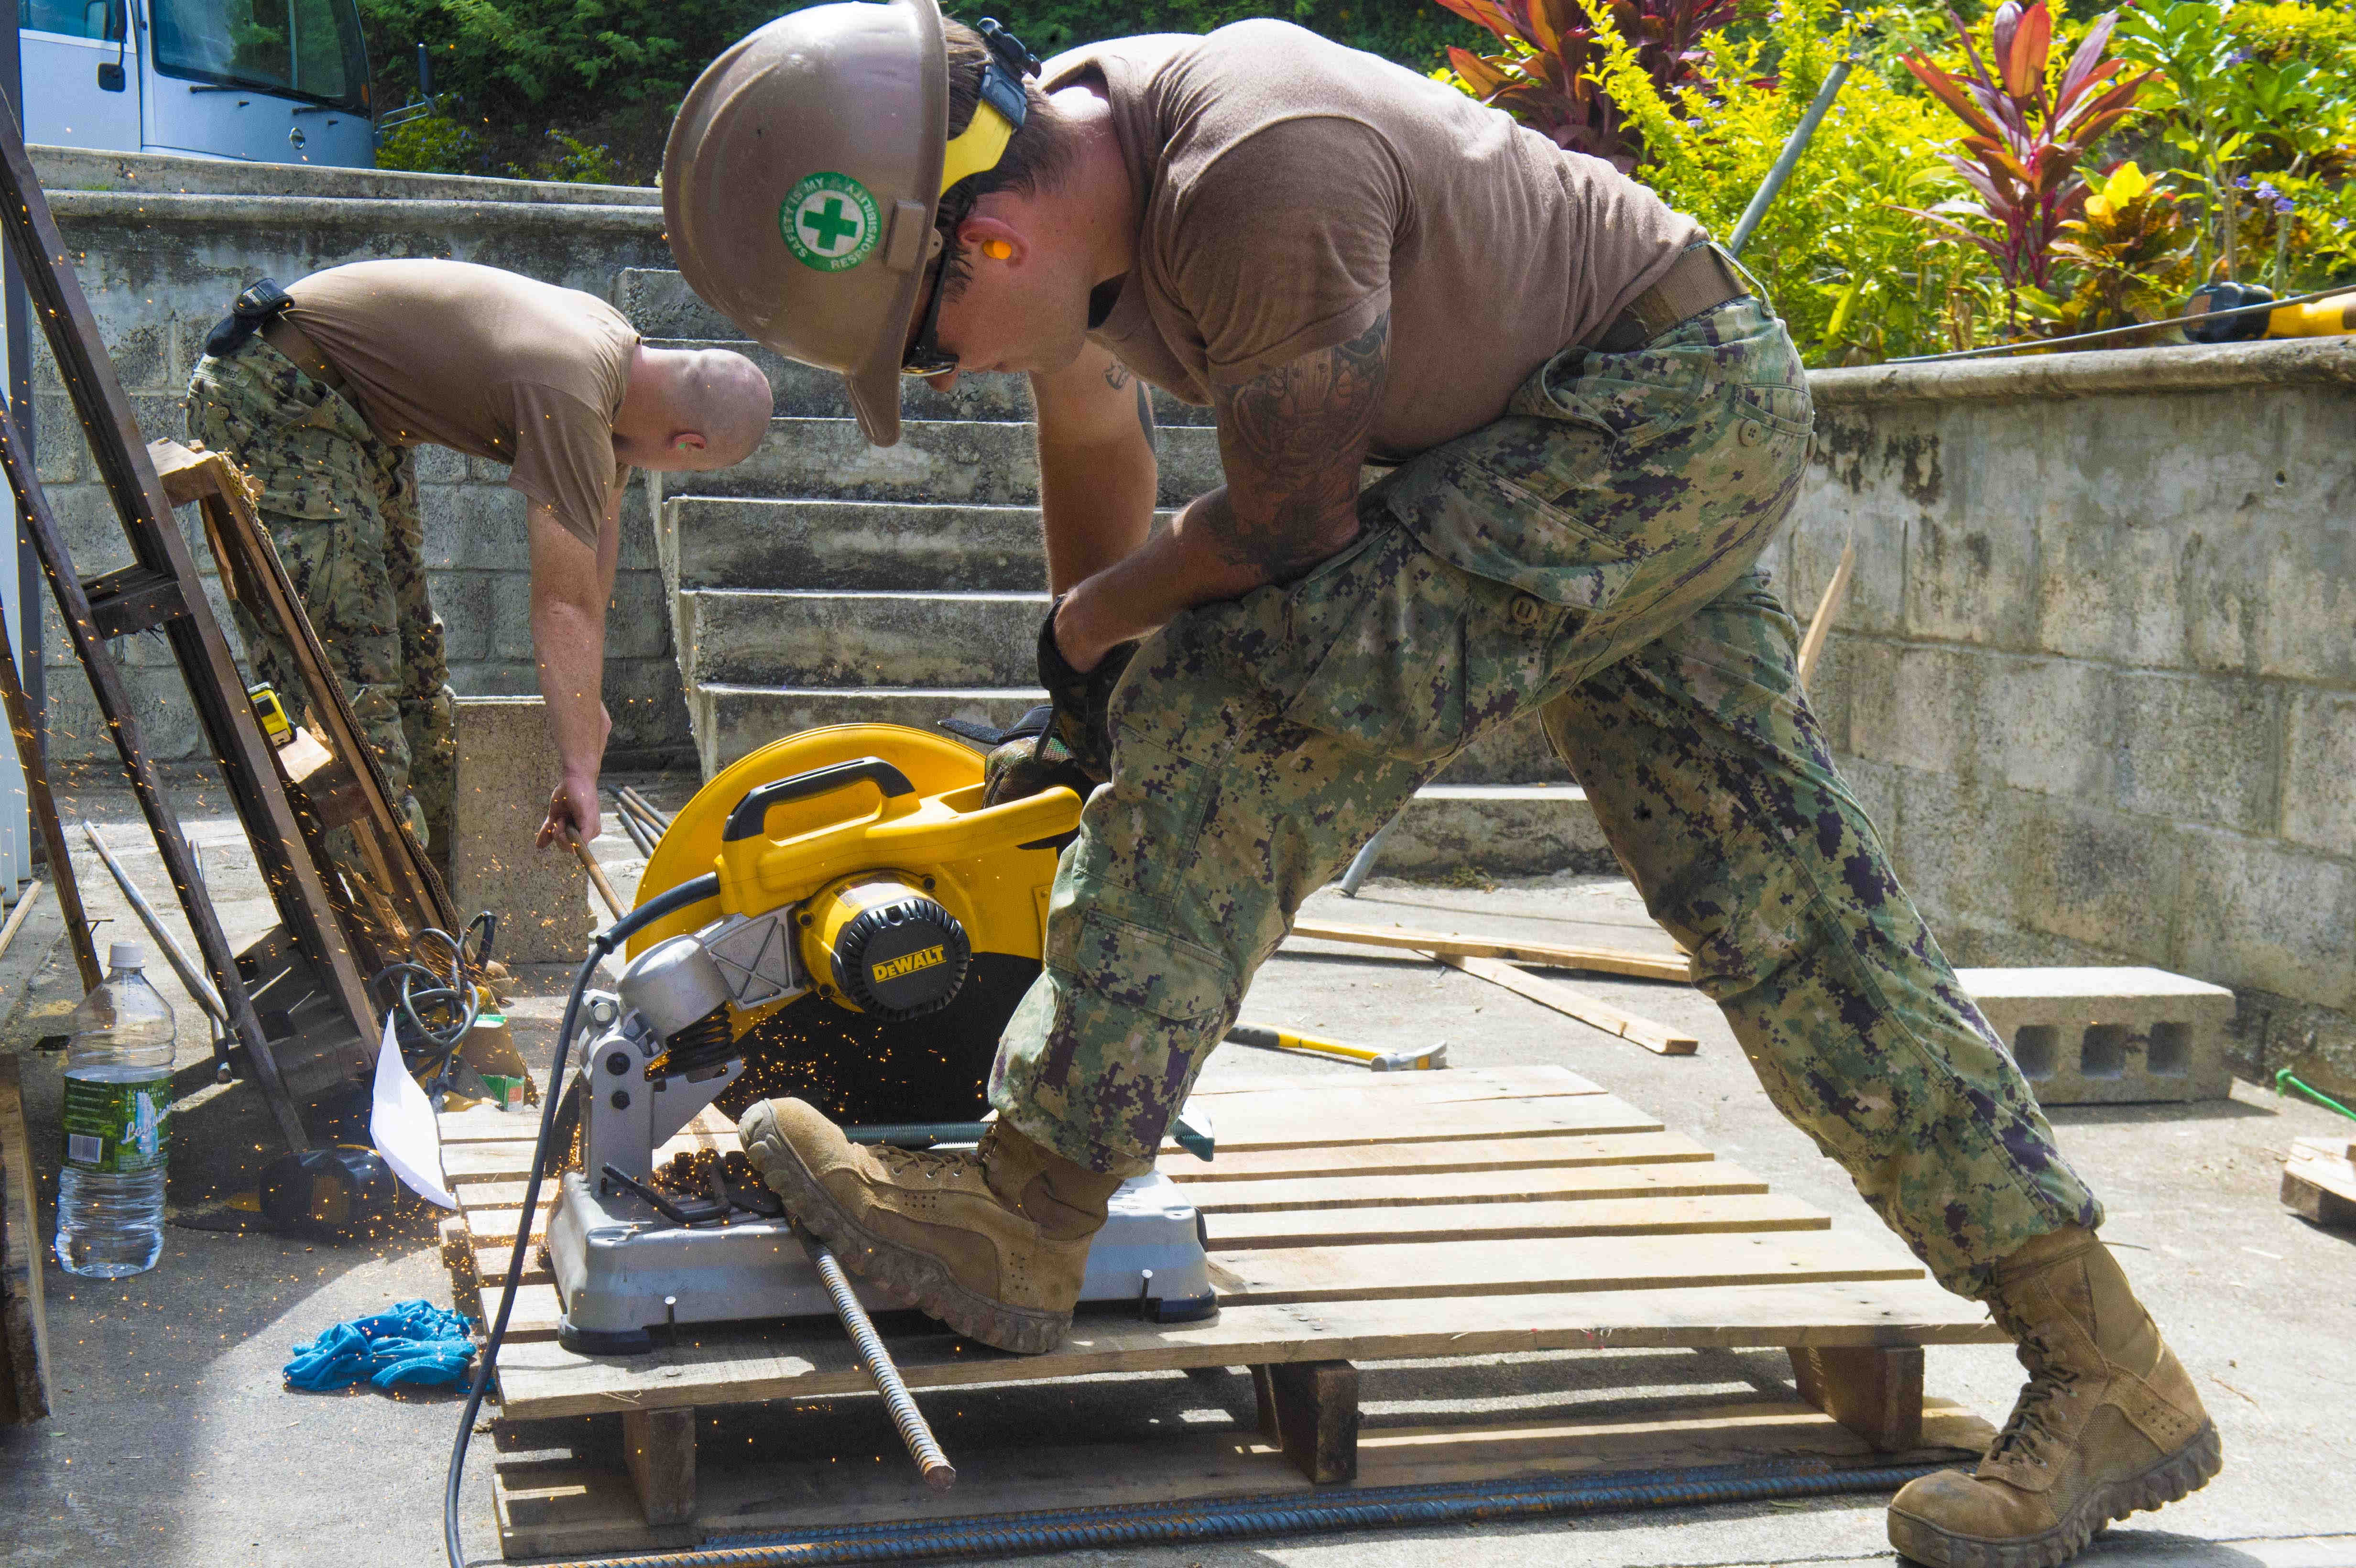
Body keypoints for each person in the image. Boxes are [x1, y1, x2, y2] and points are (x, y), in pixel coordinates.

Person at [662, 6, 2220, 1563]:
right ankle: (2103, 1364)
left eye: (914, 350)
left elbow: (1282, 528)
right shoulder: (1076, 194)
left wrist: (1108, 645)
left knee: (1244, 708)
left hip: (1648, 410)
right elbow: (1096, 453)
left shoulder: (1252, 173)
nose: (927, 383)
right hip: (1607, 419)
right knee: (1784, 901)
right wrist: (1091, 717)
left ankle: (1028, 1205)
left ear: (980, 241)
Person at [186, 258, 773, 860]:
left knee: (416, 678)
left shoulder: (618, 365)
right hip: (278, 396)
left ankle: (432, 913)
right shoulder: (571, 391)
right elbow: (562, 602)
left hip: (353, 418)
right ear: (689, 446)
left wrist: (584, 705)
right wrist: (578, 771)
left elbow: (594, 544)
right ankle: (373, 930)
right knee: (347, 683)